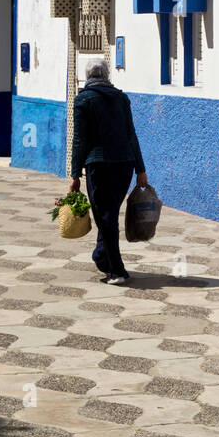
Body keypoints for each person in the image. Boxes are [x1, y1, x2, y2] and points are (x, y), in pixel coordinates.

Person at [69, 58, 147, 285]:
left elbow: (79, 140)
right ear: (107, 74)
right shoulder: (121, 98)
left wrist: (75, 174)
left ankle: (116, 270)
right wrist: (140, 169)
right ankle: (102, 256)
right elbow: (131, 135)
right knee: (109, 214)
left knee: (105, 217)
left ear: (87, 76)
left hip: (99, 165)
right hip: (124, 165)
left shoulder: (83, 100)